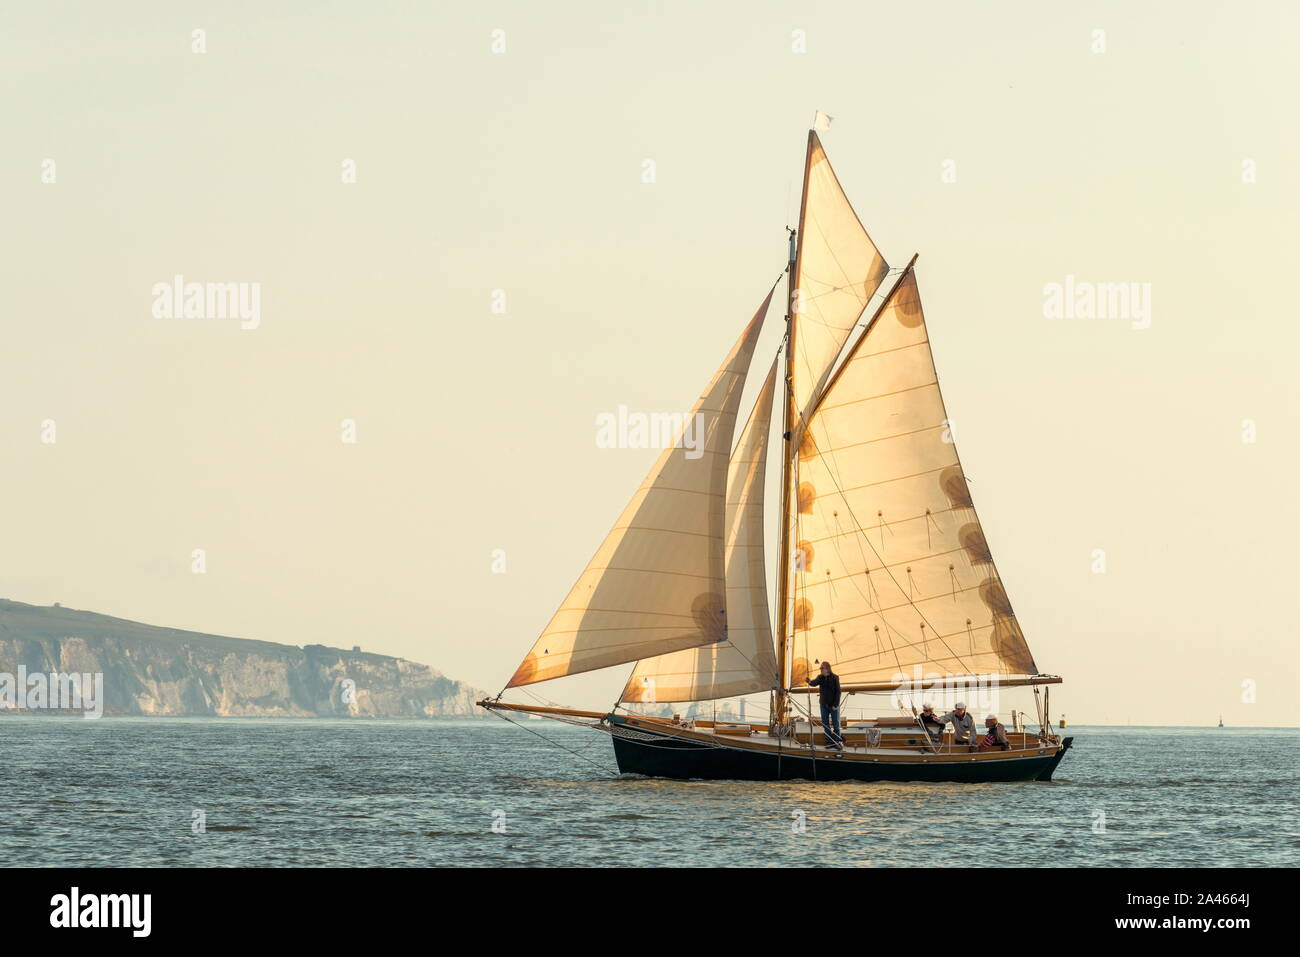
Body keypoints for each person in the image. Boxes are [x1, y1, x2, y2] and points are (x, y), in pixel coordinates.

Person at [806, 661, 843, 750]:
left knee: (836, 725)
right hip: (823, 705)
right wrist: (809, 681)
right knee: (825, 725)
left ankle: (836, 742)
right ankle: (829, 743)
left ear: (827, 668)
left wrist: (836, 704)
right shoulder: (820, 677)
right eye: (820, 668)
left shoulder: (835, 678)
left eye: (822, 668)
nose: (820, 670)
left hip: (833, 706)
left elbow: (838, 692)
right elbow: (814, 683)